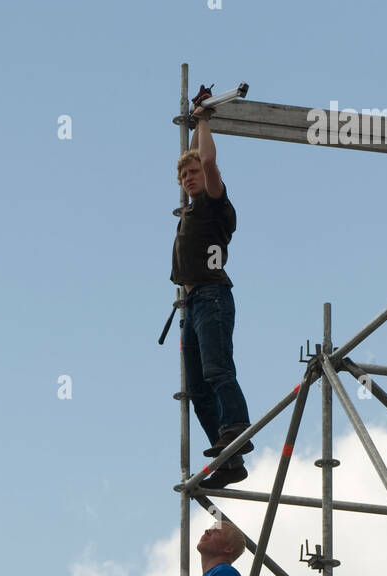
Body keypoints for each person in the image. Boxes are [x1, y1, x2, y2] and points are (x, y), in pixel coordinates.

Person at [172, 84, 252, 487]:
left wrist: (202, 119)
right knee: (198, 388)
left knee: (218, 369)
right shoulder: (190, 209)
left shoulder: (214, 201)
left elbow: (207, 160)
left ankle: (237, 427)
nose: (189, 178)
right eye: (183, 175)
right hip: (191, 305)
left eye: (193, 174)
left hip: (212, 298)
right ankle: (229, 461)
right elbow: (191, 156)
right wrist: (191, 122)